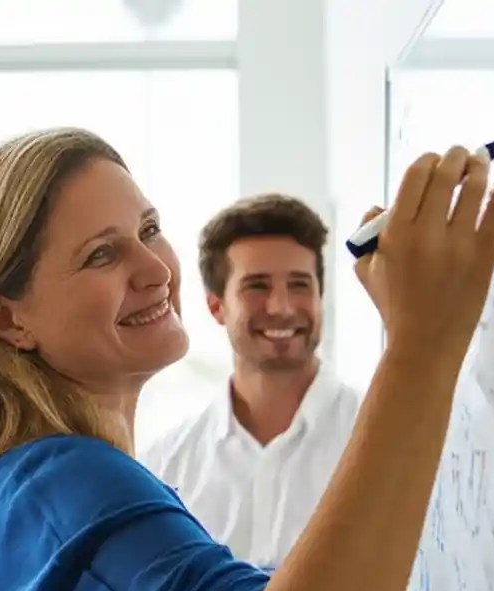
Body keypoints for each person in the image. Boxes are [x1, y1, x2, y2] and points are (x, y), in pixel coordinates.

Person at [0, 126, 494, 591]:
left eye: (150, 229)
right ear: (9, 321)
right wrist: (421, 342)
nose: (157, 270)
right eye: (102, 255)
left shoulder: (41, 488)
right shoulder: (63, 483)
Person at [141, 194, 363, 569]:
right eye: (257, 286)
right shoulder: (167, 467)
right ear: (216, 307)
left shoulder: (376, 437)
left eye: (299, 285)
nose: (281, 306)